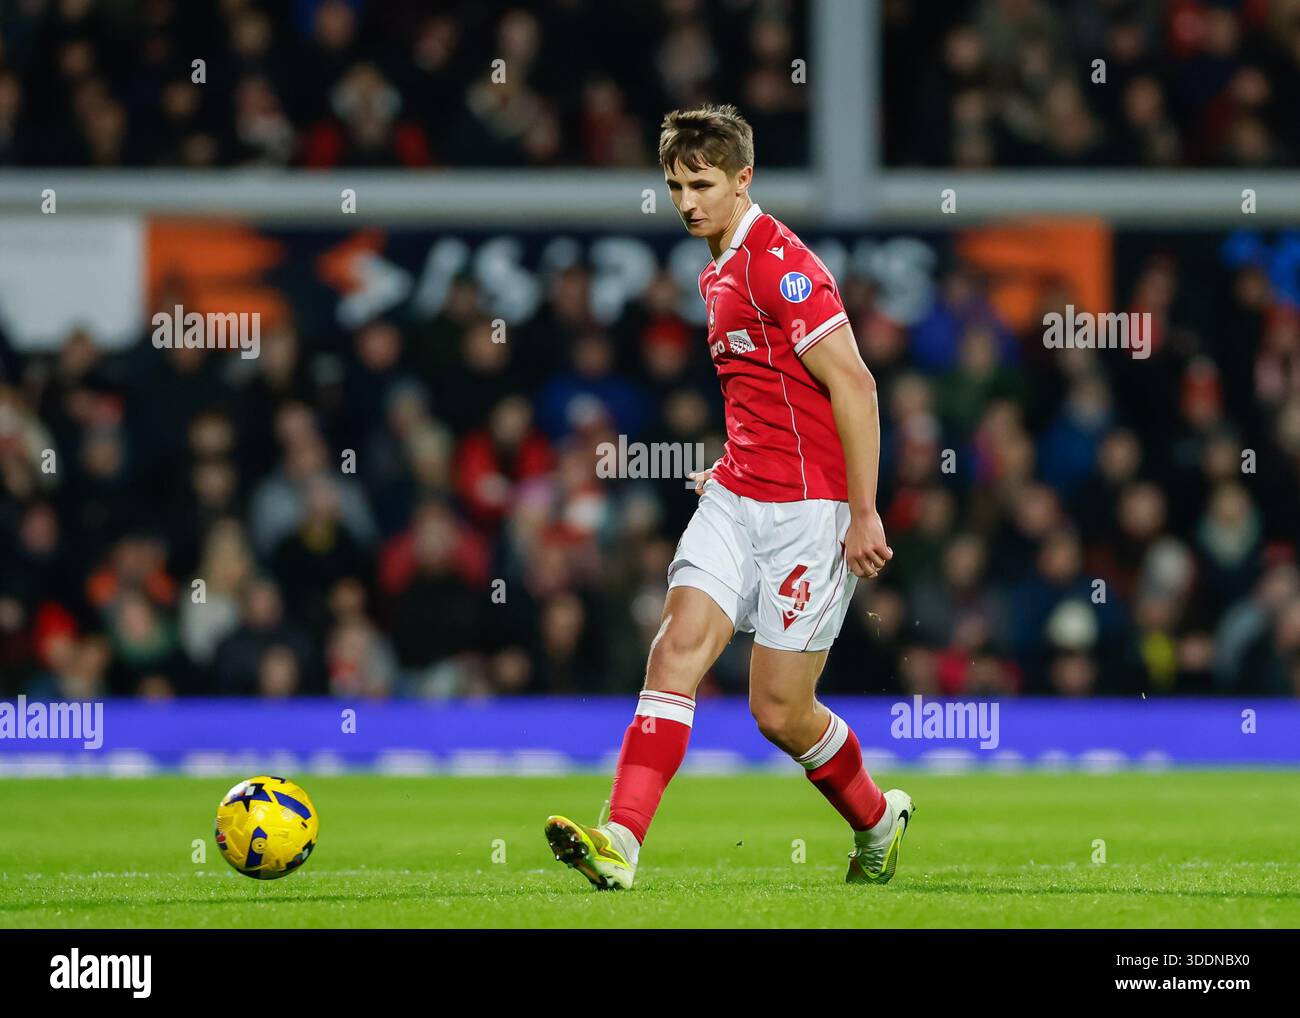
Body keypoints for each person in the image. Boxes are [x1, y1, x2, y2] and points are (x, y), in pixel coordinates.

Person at [545, 104, 914, 889]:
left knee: (779, 711)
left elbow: (854, 383)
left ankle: (879, 820)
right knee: (674, 652)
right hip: (738, 498)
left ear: (744, 179)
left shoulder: (778, 261)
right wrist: (734, 462)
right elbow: (770, 393)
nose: (686, 201)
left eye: (702, 184)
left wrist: (864, 510)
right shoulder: (715, 265)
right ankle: (620, 843)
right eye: (674, 184)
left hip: (810, 514)